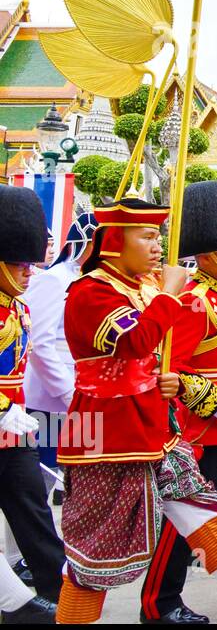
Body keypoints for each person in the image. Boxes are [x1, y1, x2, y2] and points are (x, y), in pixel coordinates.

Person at [54, 195, 217, 624]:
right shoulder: (91, 292)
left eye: (158, 236)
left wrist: (167, 380)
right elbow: (137, 342)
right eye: (147, 237)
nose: (158, 246)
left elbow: (152, 358)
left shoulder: (141, 290)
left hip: (154, 427)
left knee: (204, 513)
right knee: (92, 551)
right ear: (115, 242)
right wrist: (170, 295)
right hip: (109, 434)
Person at [0, 186, 66, 623]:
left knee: (33, 511)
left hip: (13, 429)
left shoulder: (17, 307)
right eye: (20, 263)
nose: (30, 272)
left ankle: (54, 594)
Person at [21, 211, 97, 505]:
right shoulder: (55, 280)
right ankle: (20, 553)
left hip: (85, 396)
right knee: (36, 483)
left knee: (83, 480)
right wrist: (68, 393)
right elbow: (40, 344)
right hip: (52, 401)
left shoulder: (93, 281)